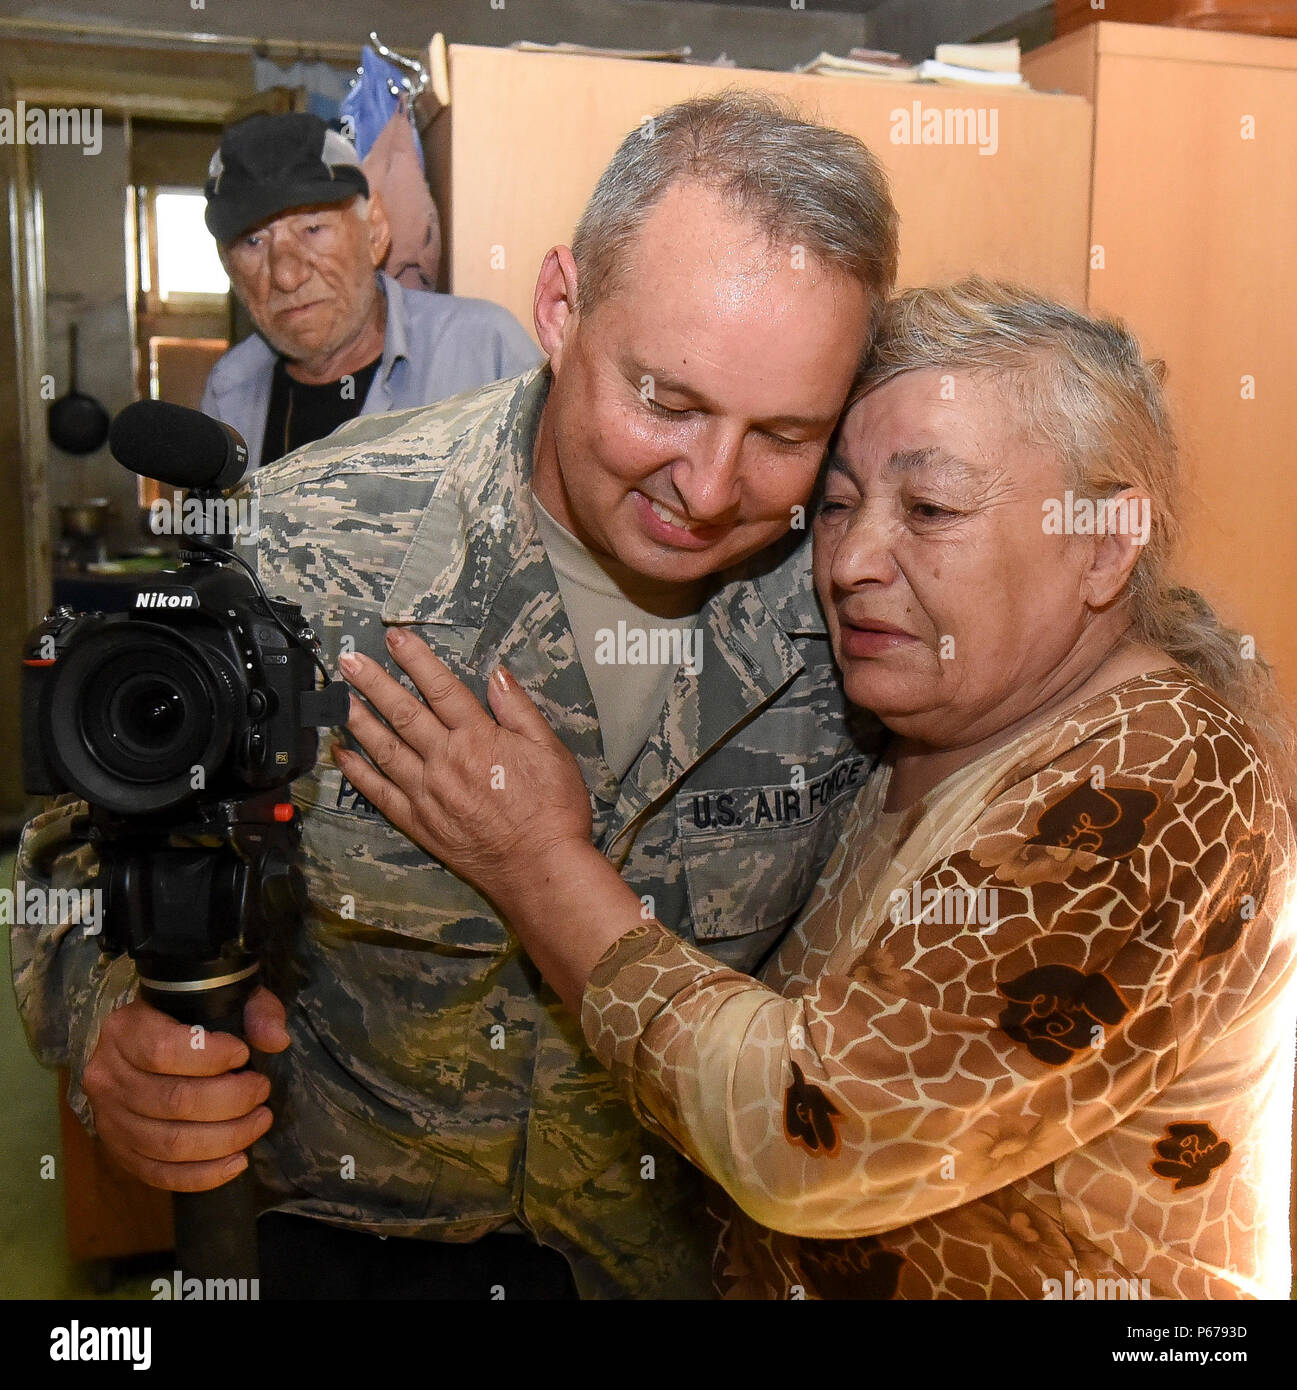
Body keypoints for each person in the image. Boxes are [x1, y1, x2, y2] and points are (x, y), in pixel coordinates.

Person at [11, 91, 900, 1299]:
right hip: (348, 1245)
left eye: (785, 433)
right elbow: (67, 851)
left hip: (689, 1262)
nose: (707, 485)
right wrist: (111, 1020)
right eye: (666, 402)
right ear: (559, 306)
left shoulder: (862, 601)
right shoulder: (301, 549)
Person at [340, 278, 1297, 1299]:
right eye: (837, 506)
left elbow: (810, 1129)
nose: (850, 563)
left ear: (1106, 542)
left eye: (928, 508)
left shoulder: (1157, 782)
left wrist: (537, 864)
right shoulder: (929, 724)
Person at [198, 111, 539, 465]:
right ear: (227, 265)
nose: (286, 275)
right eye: (252, 241)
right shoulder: (229, 391)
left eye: (313, 228)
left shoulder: (485, 353)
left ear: (374, 231)